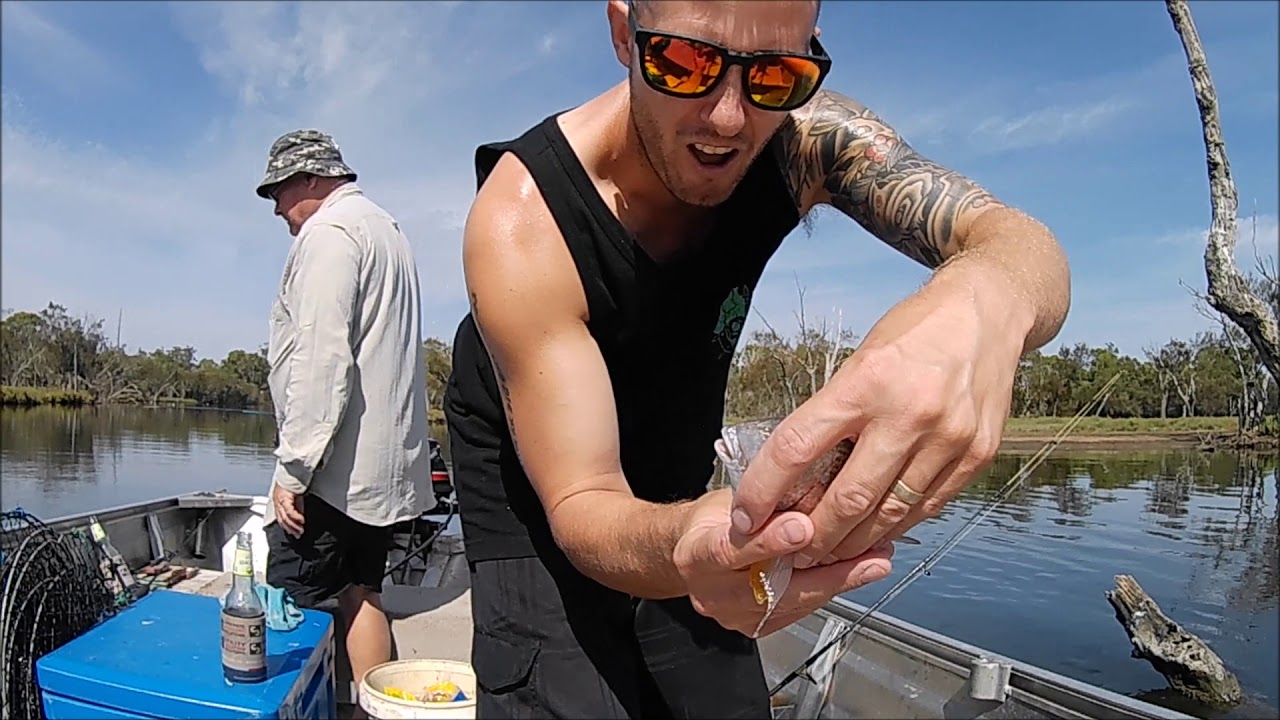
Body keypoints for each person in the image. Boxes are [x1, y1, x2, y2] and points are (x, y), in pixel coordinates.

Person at [444, 0, 1070, 717]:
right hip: (540, 486)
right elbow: (584, 508)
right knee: (561, 691)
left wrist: (984, 303)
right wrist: (687, 547)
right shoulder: (522, 221)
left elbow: (1023, 246)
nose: (728, 119)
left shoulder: (808, 139)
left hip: (685, 473)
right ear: (624, 33)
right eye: (685, 64)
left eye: (774, 74)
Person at [255, 129, 431, 701]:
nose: (278, 206)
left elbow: (321, 359)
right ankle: (373, 712)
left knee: (286, 604)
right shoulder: (386, 229)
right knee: (362, 591)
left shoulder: (329, 235)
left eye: (280, 189)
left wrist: (294, 469)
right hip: (378, 477)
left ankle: (293, 709)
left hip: (333, 472)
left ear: (311, 177)